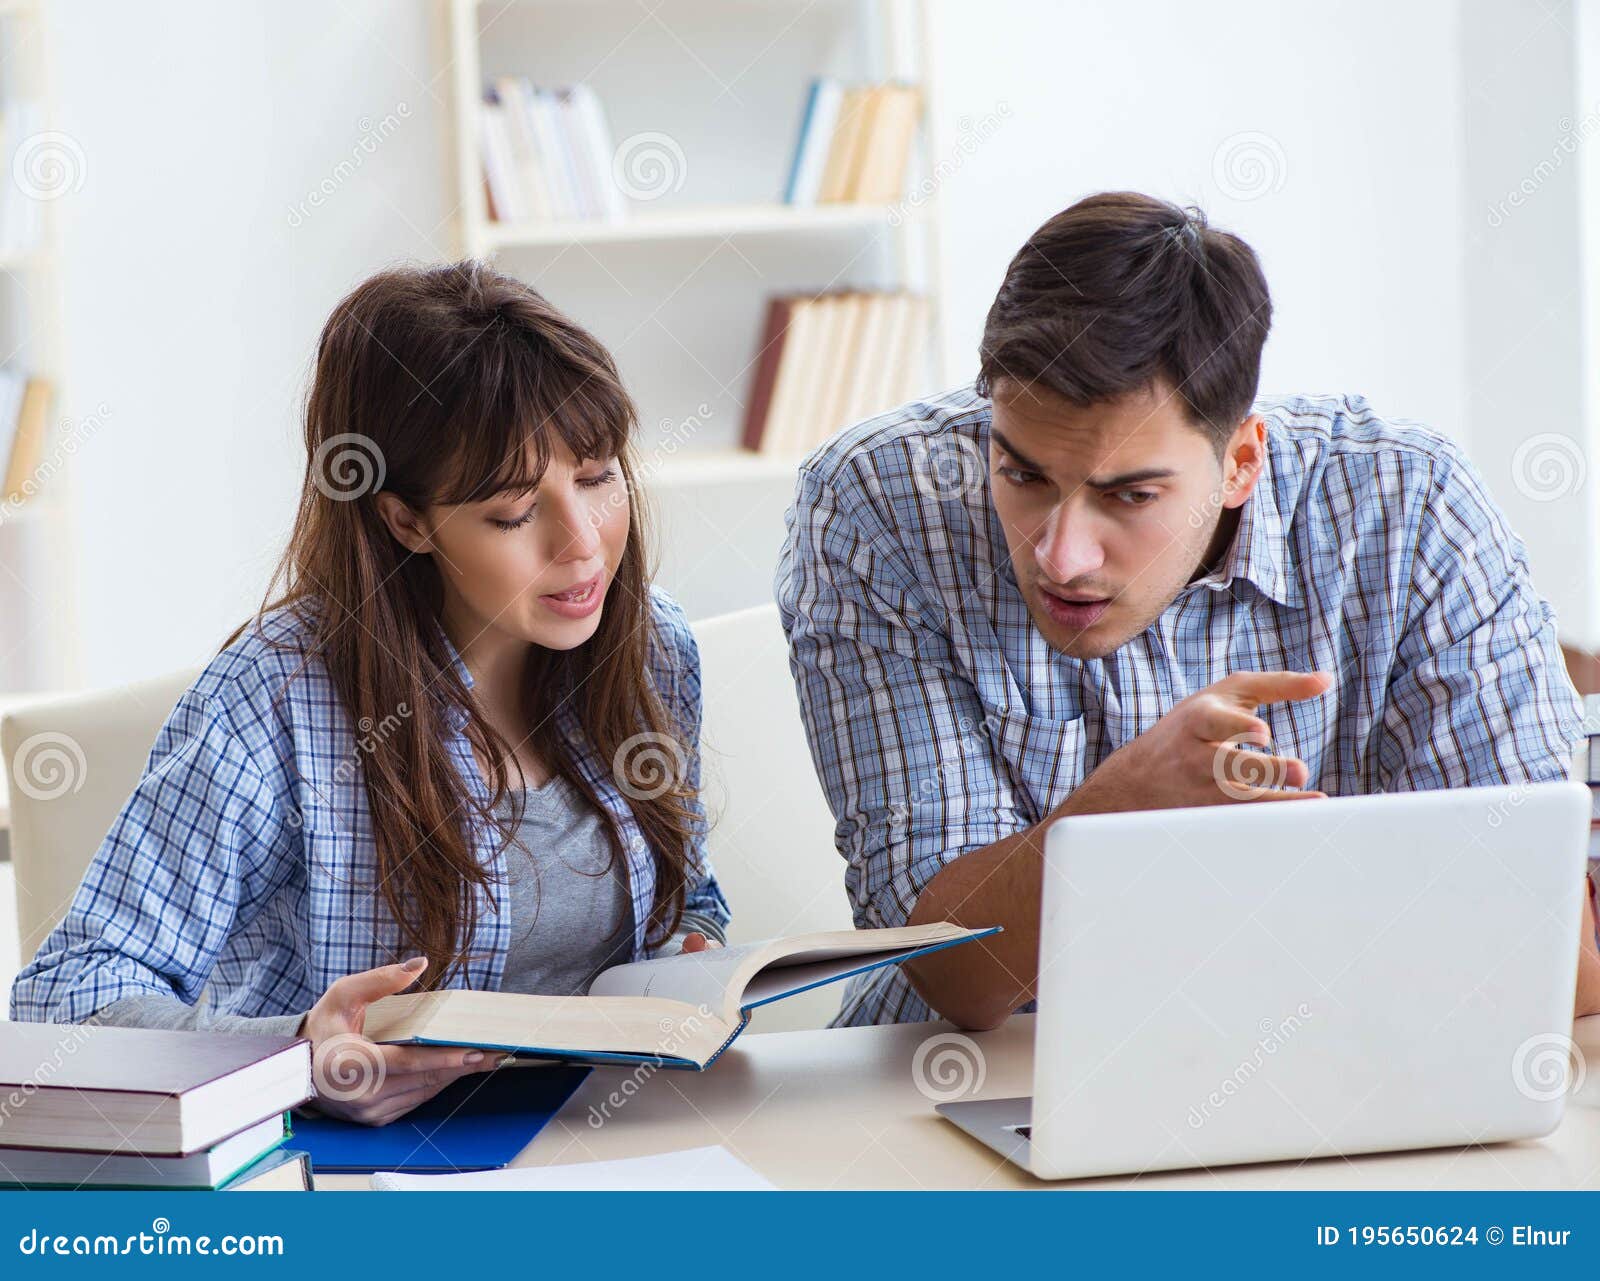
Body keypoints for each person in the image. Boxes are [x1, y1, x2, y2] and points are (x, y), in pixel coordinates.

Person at [777, 190, 1600, 1030]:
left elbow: (1549, 958)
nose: (1062, 555)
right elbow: (951, 971)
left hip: (1346, 1059)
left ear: (1241, 461)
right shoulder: (880, 503)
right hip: (957, 1086)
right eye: (1023, 475)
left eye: (1128, 494)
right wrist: (1125, 807)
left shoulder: (1411, 504)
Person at [10, 261, 727, 1125]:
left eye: (598, 476)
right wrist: (301, 1056)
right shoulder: (277, 696)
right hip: (362, 1172)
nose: (583, 545)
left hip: (620, 1136)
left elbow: (687, 897)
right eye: (512, 511)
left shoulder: (655, 651)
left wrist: (697, 949)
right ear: (405, 519)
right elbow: (66, 999)